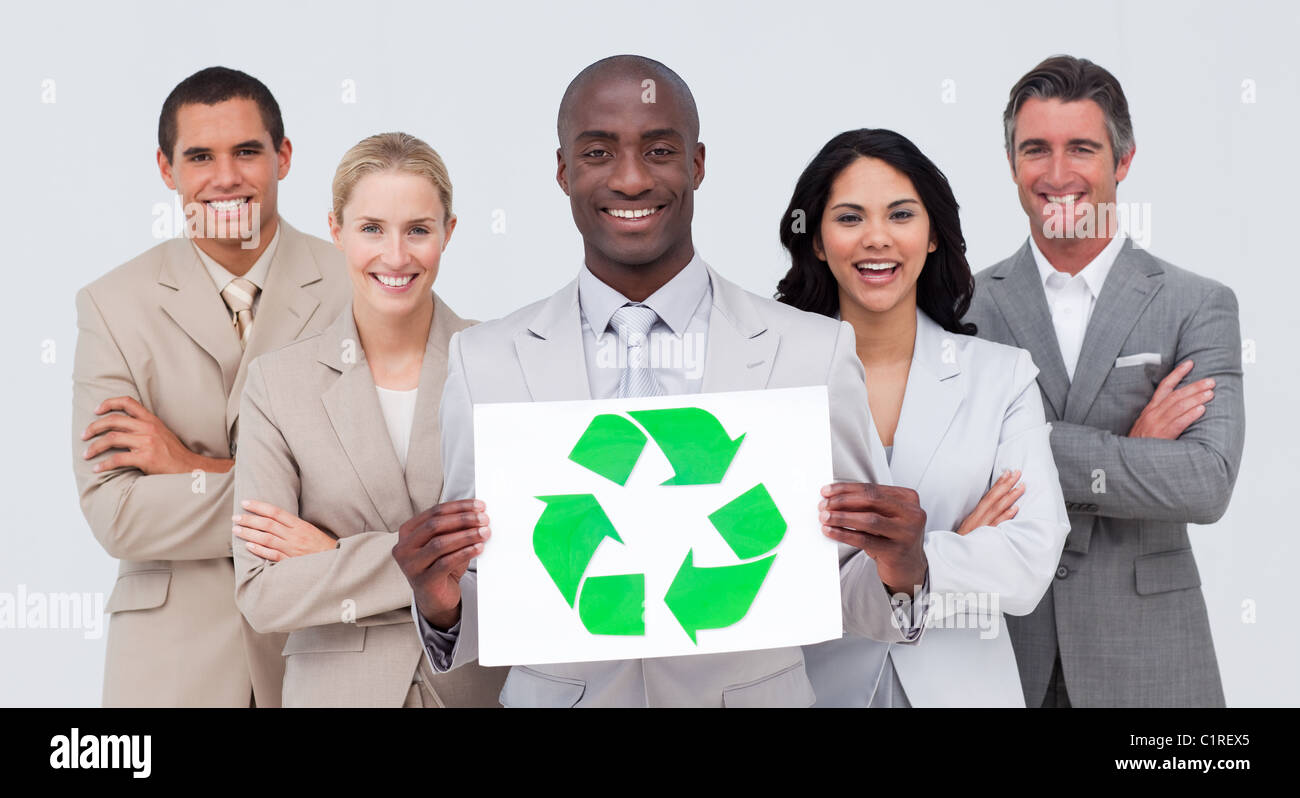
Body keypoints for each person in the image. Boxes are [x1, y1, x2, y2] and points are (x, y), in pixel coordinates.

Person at [392, 55, 931, 707]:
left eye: (658, 150)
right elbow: (497, 601)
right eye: (597, 152)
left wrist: (902, 572)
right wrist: (441, 599)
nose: (629, 178)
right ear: (563, 172)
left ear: (696, 165)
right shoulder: (486, 361)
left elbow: (845, 596)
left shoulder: (811, 353)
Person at [965, 55, 1245, 707]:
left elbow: (1206, 484)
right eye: (1036, 149)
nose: (1057, 174)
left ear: (1122, 161)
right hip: (1002, 659)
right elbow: (952, 477)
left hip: (1151, 663)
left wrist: (1019, 445)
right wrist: (1140, 448)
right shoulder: (961, 310)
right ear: (1012, 164)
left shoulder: (1197, 304)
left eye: (1081, 149)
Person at [71, 66, 351, 707]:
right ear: (167, 170)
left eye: (247, 151)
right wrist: (296, 498)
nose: (226, 177)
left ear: (283, 157)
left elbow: (391, 492)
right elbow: (117, 516)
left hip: (327, 652)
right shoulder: (112, 304)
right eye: (200, 156)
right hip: (170, 671)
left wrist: (187, 466)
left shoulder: (358, 284)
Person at [777, 128, 1070, 706]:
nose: (877, 239)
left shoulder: (1002, 377)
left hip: (962, 688)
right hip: (815, 688)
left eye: (901, 215)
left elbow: (1030, 560)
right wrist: (949, 551)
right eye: (850, 218)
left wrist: (918, 559)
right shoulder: (774, 376)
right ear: (816, 241)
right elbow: (762, 567)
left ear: (933, 234)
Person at [230, 133, 509, 707]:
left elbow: (532, 559)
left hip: (475, 693)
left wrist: (333, 558)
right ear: (336, 231)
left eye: (419, 230)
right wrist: (410, 563)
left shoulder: (503, 364)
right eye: (372, 228)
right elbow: (262, 593)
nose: (396, 256)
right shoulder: (278, 385)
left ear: (448, 233)